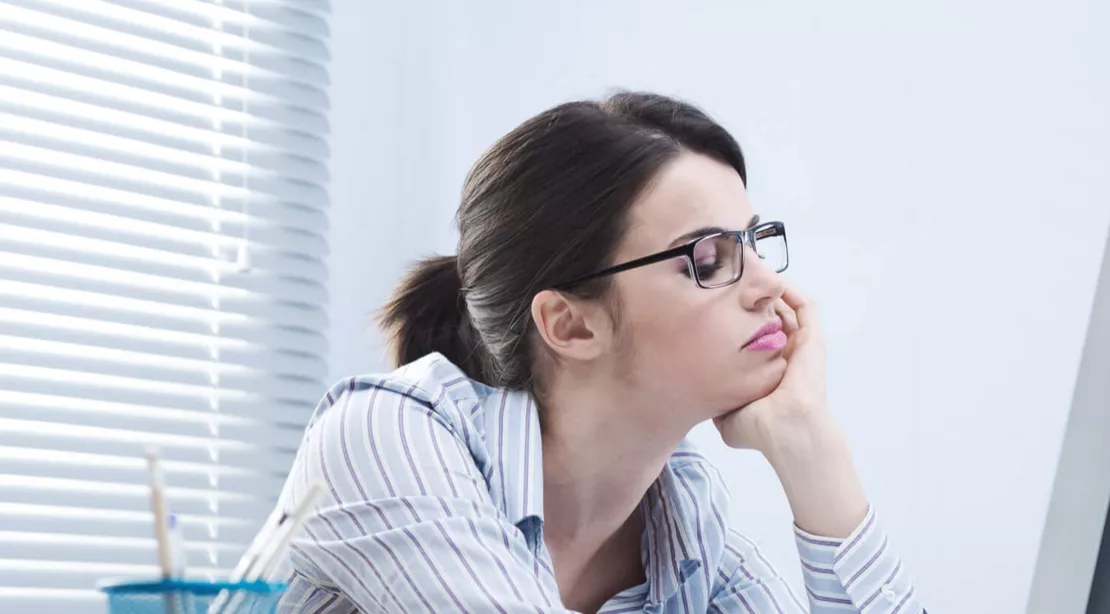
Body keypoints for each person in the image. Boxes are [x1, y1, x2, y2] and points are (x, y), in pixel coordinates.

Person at [268, 91, 923, 613]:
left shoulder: (687, 541)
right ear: (571, 325)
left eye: (753, 243)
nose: (770, 287)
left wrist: (811, 448)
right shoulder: (383, 439)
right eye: (708, 258)